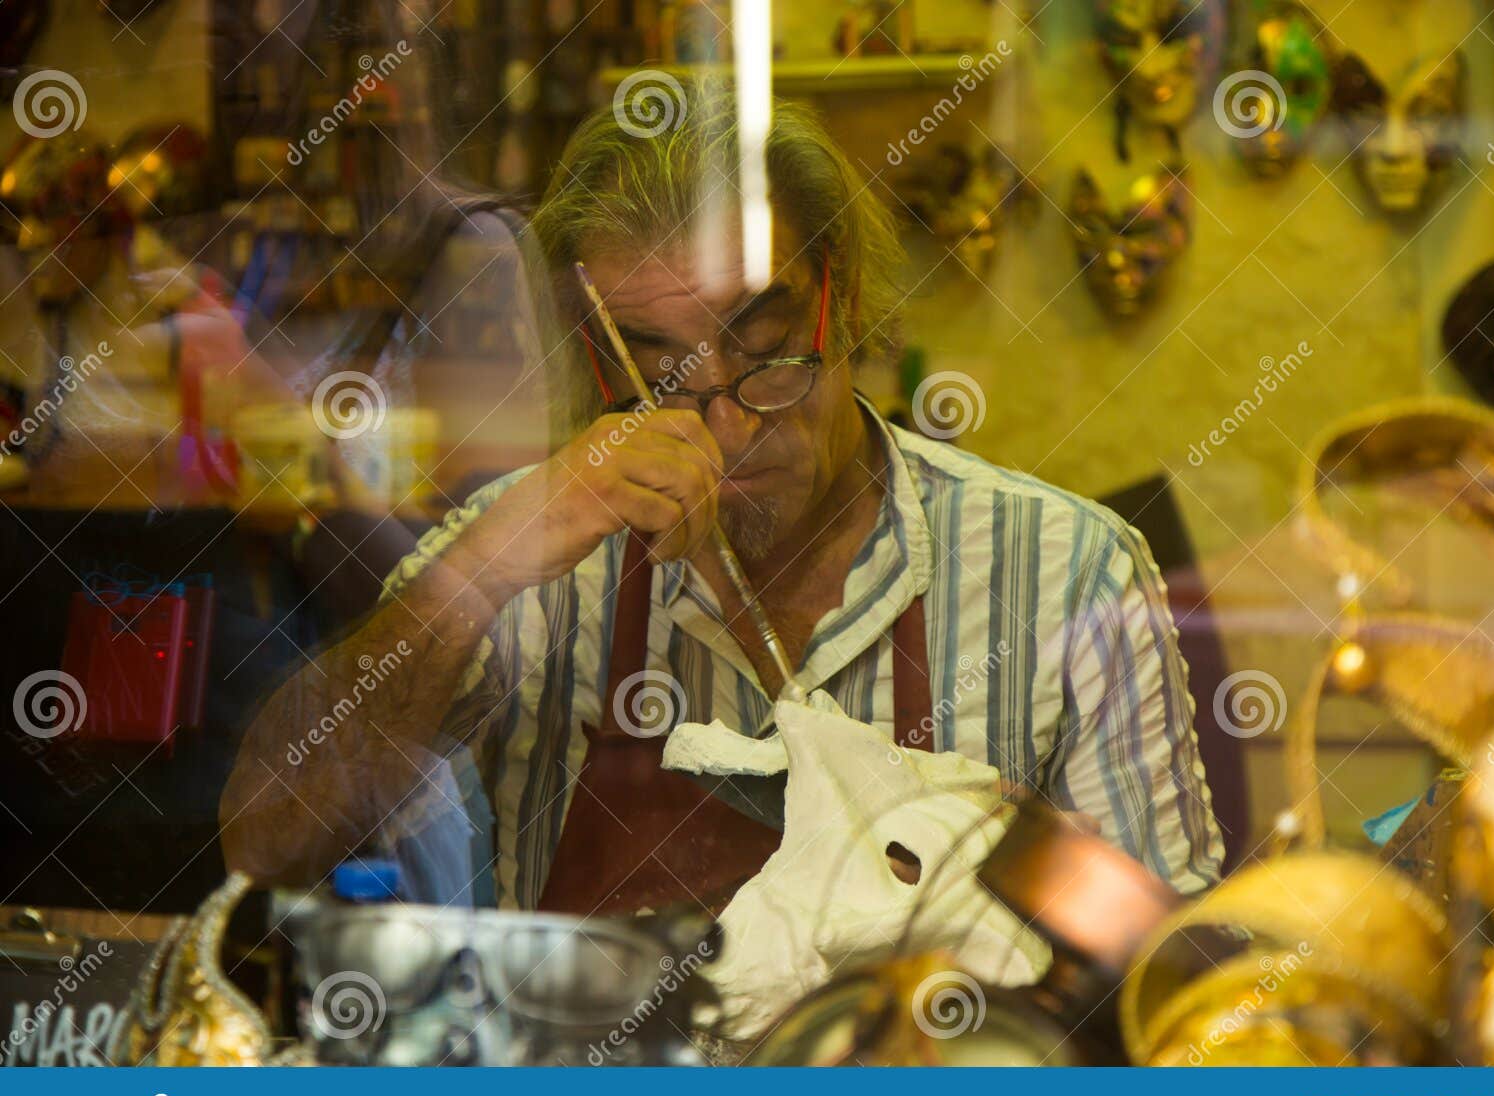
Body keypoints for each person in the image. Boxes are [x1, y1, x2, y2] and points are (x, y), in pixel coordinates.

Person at [220, 82, 1223, 908]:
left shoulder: (1066, 570)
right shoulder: (530, 560)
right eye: (654, 369)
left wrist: (1019, 869)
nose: (723, 426)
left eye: (763, 348)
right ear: (591, 351)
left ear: (847, 299)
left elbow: (1165, 982)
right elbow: (269, 844)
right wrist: (474, 576)